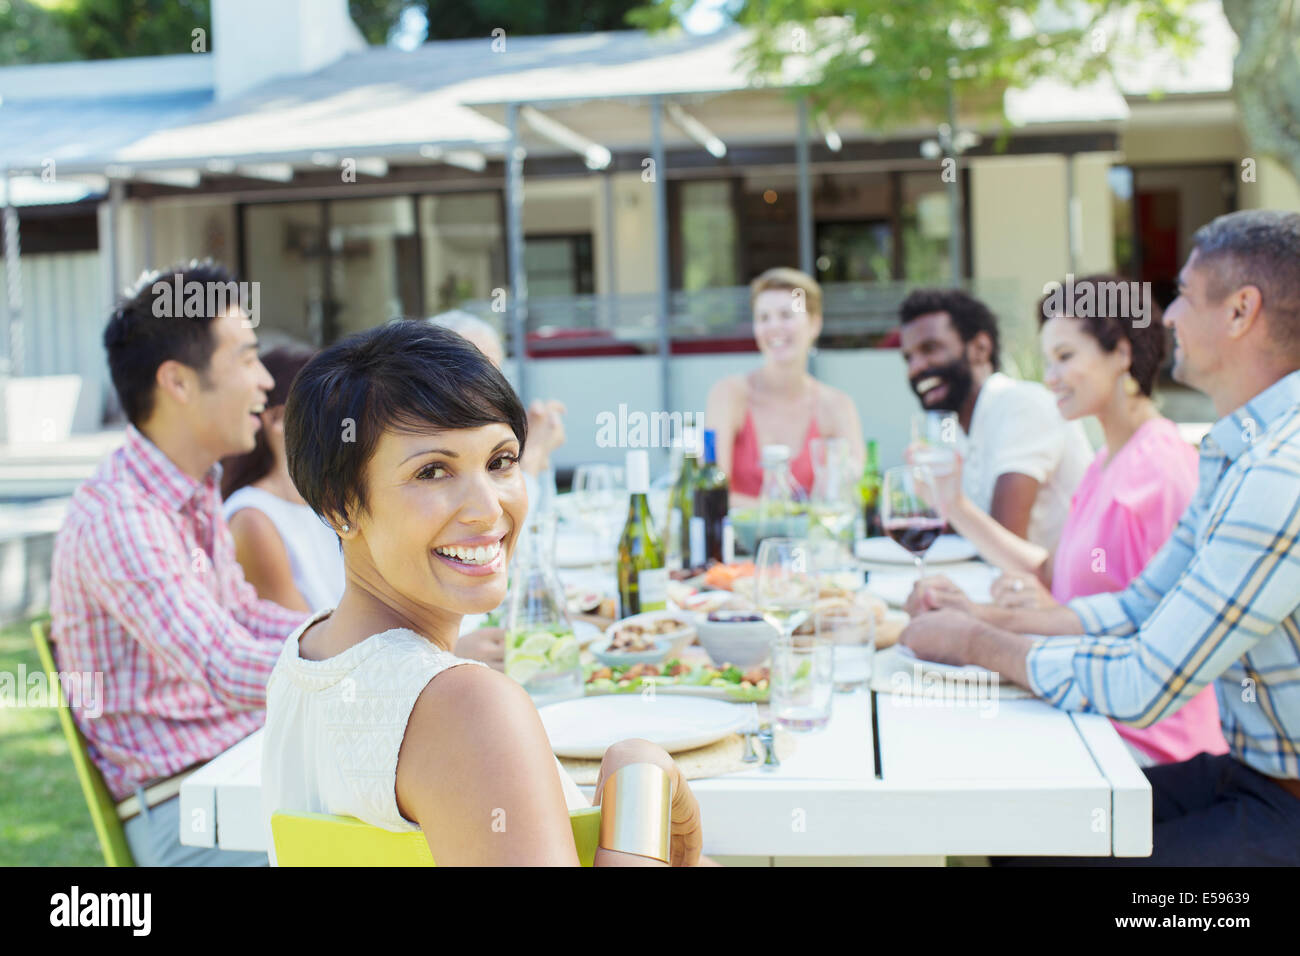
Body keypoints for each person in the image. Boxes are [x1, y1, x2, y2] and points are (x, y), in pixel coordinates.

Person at [900, 210, 1300, 865]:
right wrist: (979, 616)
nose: (1166, 317)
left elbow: (1147, 680)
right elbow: (1135, 608)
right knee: (1018, 838)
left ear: (1240, 312)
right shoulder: (1237, 455)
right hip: (1248, 772)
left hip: (1275, 798)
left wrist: (976, 641)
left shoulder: (1281, 471)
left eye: (1184, 296)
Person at [261, 322, 707, 865]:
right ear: (338, 507)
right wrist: (639, 783)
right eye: (432, 471)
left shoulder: (305, 659)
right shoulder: (465, 708)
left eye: (500, 461)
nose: (487, 507)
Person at [906, 275, 1226, 767]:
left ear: (1121, 353)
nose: (1050, 376)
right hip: (1087, 714)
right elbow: (1066, 581)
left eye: (1066, 357)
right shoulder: (1107, 463)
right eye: (1049, 359)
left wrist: (978, 630)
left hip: (1145, 747)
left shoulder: (1161, 472)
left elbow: (1154, 638)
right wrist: (972, 607)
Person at [48, 260, 308, 866]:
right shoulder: (121, 515)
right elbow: (223, 663)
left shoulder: (189, 492)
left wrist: (376, 635)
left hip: (237, 779)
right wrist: (373, 662)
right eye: (245, 358)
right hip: (185, 815)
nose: (265, 381)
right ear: (179, 382)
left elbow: (245, 619)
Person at [898, 288, 1092, 552]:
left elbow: (1005, 545)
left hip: (1054, 590)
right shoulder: (951, 426)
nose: (915, 367)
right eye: (909, 358)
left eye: (930, 348)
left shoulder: (1021, 405)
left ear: (980, 348)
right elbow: (960, 530)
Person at [706, 268, 865, 505]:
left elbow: (851, 493)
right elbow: (711, 492)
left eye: (786, 315)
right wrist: (788, 515)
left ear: (814, 324)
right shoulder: (728, 395)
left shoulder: (837, 406)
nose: (774, 326)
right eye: (764, 318)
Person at [220, 345, 345, 613]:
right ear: (277, 419)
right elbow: (301, 638)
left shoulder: (335, 499)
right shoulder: (253, 519)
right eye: (326, 407)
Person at [425, 310, 566, 487]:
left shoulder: (493, 433)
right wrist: (532, 454)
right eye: (472, 377)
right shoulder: (429, 443)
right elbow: (505, 513)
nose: (489, 390)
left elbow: (544, 514)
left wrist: (539, 456)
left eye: (495, 377)